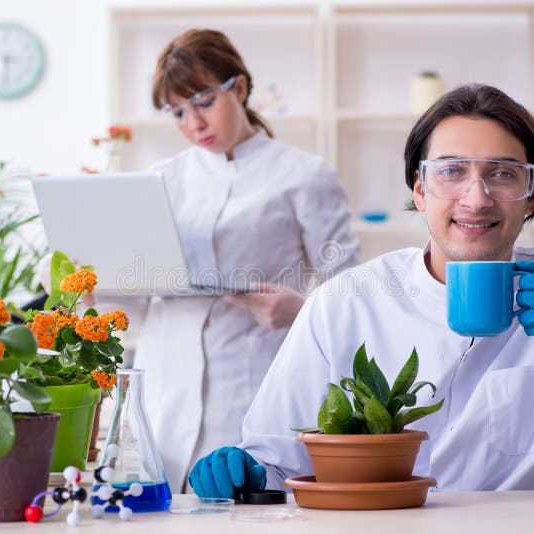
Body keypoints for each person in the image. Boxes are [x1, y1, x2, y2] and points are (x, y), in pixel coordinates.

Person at [188, 84, 534, 497]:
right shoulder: (347, 301)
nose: (476, 197)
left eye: (503, 174)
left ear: (532, 195)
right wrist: (249, 473)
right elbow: (276, 459)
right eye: (451, 171)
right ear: (419, 191)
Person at [110, 29, 361, 493]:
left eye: (204, 102)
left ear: (239, 88)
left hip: (251, 391)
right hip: (163, 394)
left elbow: (351, 297)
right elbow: (137, 310)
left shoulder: (303, 175)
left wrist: (299, 310)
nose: (193, 123)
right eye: (178, 112)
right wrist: (94, 280)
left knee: (240, 509)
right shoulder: (160, 179)